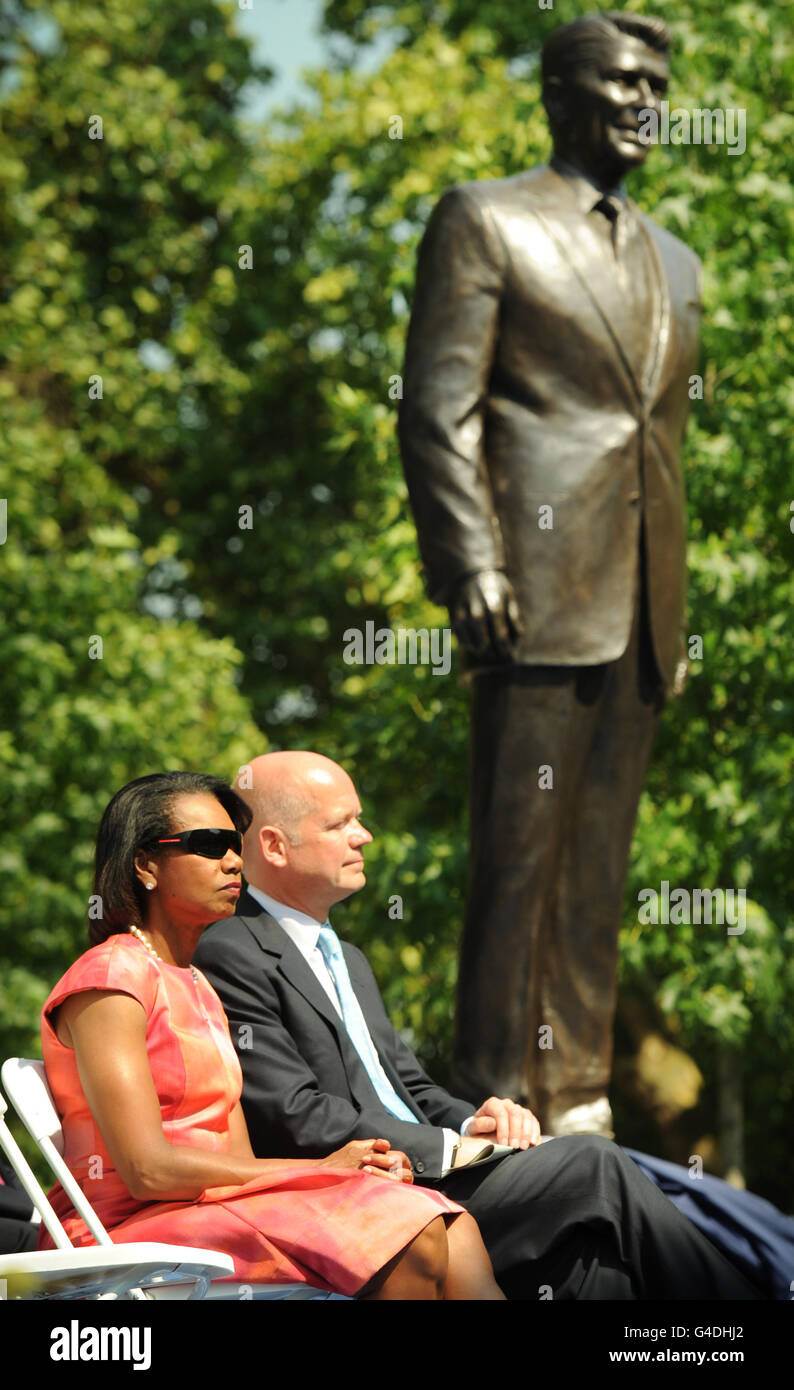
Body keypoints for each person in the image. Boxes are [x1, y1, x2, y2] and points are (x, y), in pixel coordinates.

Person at [397, 12, 702, 1134]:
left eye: (656, 83)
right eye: (621, 80)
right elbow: (438, 409)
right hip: (525, 588)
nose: (643, 101)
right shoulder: (486, 220)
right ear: (560, 95)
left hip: (640, 595)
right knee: (513, 863)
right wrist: (467, 559)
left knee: (593, 874)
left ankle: (576, 1095)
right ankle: (490, 1098)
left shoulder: (677, 260)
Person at [193, 753, 766, 1301]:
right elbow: (297, 1115)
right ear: (274, 845)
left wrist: (476, 1119)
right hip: (370, 1193)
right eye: (341, 823)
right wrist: (453, 1148)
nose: (364, 836)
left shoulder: (347, 956)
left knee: (591, 1260)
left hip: (430, 1176)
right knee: (594, 1164)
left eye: (359, 819)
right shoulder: (231, 949)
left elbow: (410, 1089)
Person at [39, 771, 504, 1301]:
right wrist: (322, 1169)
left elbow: (242, 1160)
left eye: (234, 845)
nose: (234, 861)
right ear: (145, 864)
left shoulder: (196, 985)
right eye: (208, 846)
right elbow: (147, 1170)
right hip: (126, 1230)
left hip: (210, 1209)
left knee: (449, 1222)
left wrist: (345, 1173)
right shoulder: (110, 978)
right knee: (407, 1234)